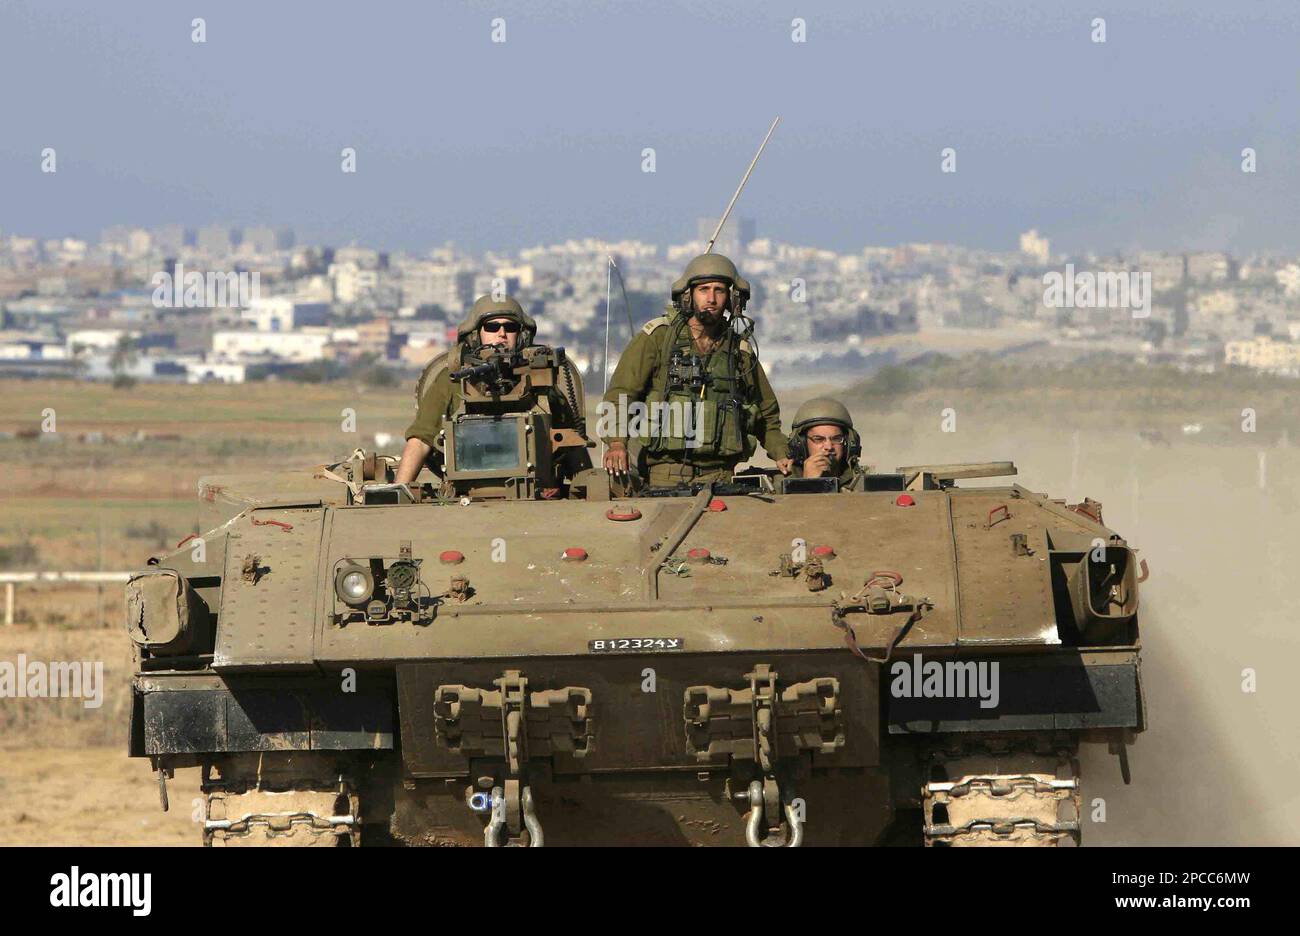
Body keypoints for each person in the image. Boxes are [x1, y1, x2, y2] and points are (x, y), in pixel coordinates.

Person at [599, 253, 791, 486]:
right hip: (666, 473)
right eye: (704, 290)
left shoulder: (739, 351)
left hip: (721, 475)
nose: (711, 298)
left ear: (732, 299)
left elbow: (767, 416)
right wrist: (617, 443)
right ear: (689, 296)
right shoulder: (658, 339)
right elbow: (621, 394)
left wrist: (782, 453)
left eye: (719, 290)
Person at [395, 294, 535, 484]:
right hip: (465, 491)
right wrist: (398, 490)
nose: (502, 333)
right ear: (476, 334)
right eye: (492, 327)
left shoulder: (538, 378)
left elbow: (571, 441)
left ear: (521, 335)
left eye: (510, 327)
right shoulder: (451, 382)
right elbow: (420, 441)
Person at [786, 397, 868, 491]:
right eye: (818, 439)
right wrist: (807, 483)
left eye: (836, 439)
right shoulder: (782, 484)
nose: (828, 447)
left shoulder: (861, 483)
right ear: (801, 444)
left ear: (849, 443)